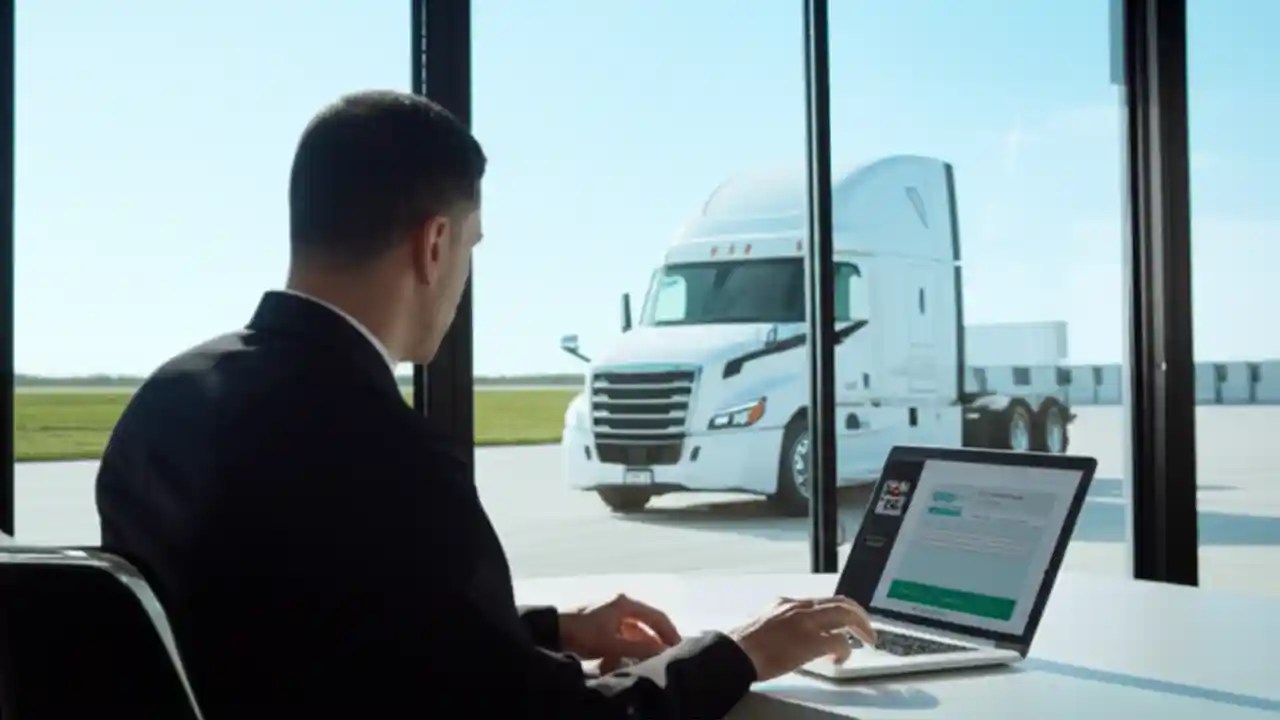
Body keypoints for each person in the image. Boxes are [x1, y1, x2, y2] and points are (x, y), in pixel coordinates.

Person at [95, 89, 876, 719]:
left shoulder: (163, 407)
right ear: (433, 245)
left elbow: (310, 624)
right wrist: (740, 653)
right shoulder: (390, 458)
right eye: (471, 245)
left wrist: (553, 628)